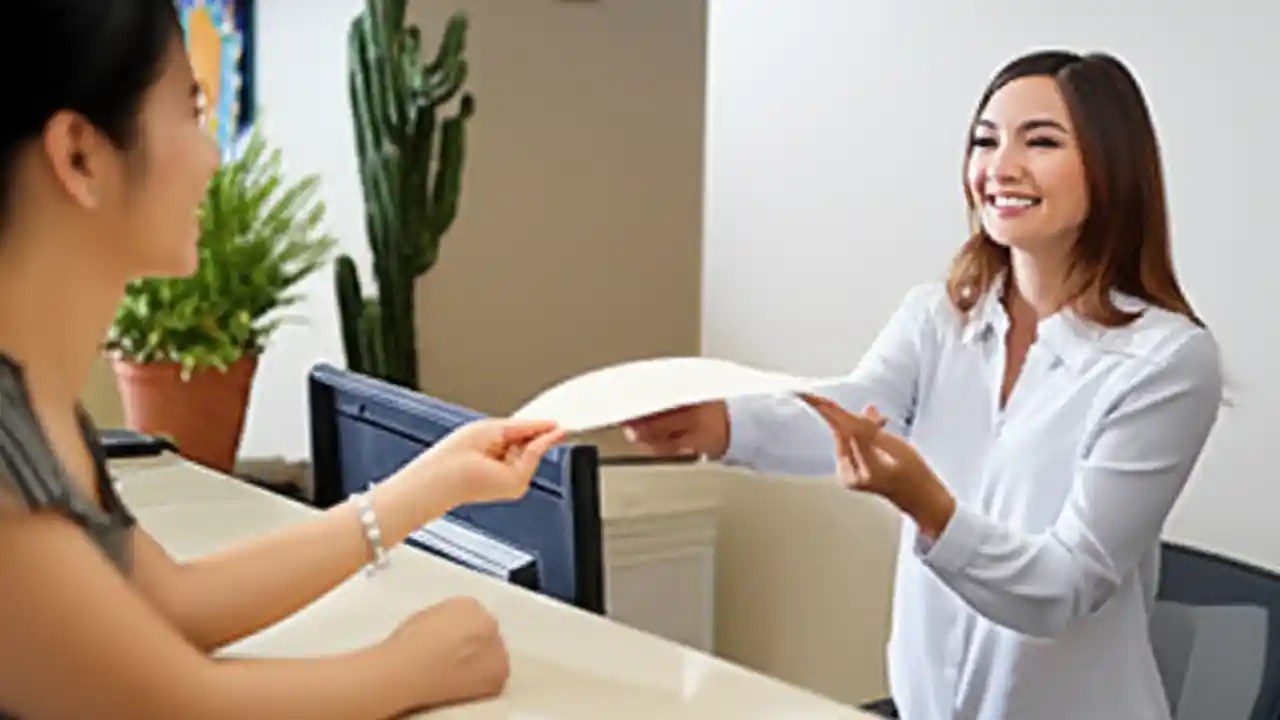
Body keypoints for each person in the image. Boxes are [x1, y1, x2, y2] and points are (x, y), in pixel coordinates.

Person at [0, 2, 564, 717]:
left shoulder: (41, 413)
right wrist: (411, 669)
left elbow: (172, 606)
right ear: (81, 156)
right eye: (192, 110)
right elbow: (172, 706)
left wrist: (428, 487)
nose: (212, 156)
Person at [626, 49, 1222, 720]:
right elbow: (861, 413)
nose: (1000, 167)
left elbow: (1063, 587)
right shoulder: (939, 318)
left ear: (1111, 168)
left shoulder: (1167, 361)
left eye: (1042, 141)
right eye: (985, 140)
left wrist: (930, 509)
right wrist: (724, 424)